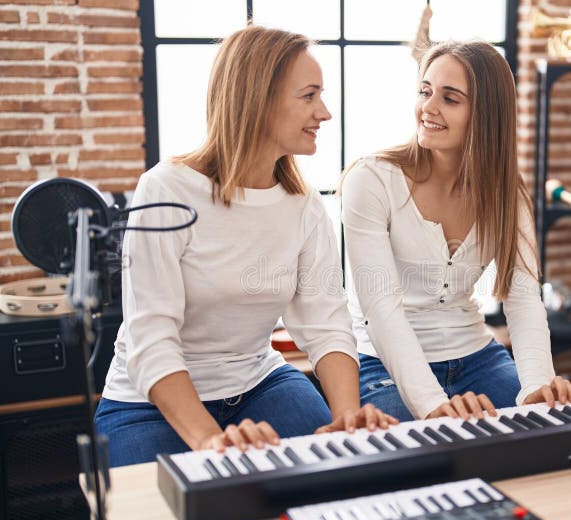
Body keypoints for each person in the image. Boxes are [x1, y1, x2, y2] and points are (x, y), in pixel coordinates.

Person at [96, 25, 395, 467]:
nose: (325, 112)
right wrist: (208, 441)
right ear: (259, 97)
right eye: (309, 96)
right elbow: (150, 339)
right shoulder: (166, 189)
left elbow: (326, 321)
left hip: (260, 385)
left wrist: (348, 417)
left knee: (337, 471)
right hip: (147, 405)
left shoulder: (304, 204)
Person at [340, 40, 571, 423]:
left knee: (542, 428)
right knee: (418, 458)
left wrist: (538, 384)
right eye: (425, 91)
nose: (428, 108)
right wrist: (432, 404)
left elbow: (522, 297)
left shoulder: (507, 191)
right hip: (381, 363)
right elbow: (381, 310)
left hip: (477, 358)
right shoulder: (370, 180)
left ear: (485, 114)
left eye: (450, 99)